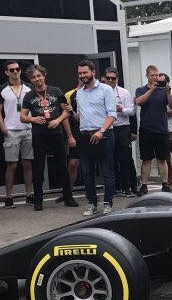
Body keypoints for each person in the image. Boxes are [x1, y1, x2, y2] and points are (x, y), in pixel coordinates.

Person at [20, 64, 76, 210]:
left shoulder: (56, 91)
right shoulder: (29, 95)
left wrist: (57, 120)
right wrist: (33, 119)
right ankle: (38, 200)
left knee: (62, 166)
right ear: (30, 80)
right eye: (33, 77)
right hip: (39, 135)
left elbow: (67, 111)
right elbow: (22, 116)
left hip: (56, 134)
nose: (37, 79)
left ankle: (68, 198)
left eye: (39, 75)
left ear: (44, 76)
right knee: (38, 168)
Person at [74, 59, 116, 216]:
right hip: (85, 135)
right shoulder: (79, 93)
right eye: (80, 73)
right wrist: (71, 113)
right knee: (87, 172)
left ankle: (108, 203)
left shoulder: (106, 89)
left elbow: (112, 115)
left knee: (107, 172)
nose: (82, 75)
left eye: (85, 72)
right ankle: (91, 202)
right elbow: (81, 117)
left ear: (93, 72)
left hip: (104, 135)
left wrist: (101, 131)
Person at [0, 59, 34, 208]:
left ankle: (29, 194)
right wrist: (3, 127)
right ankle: (9, 197)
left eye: (17, 69)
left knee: (27, 163)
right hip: (11, 130)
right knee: (12, 165)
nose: (15, 72)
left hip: (28, 129)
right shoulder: (2, 89)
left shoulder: (29, 87)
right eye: (12, 70)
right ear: (6, 72)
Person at [134, 65, 172, 194]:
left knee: (162, 159)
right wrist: (151, 90)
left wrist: (168, 92)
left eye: (157, 75)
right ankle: (144, 185)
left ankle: (165, 184)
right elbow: (139, 102)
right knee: (146, 159)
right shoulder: (141, 90)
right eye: (152, 75)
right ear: (147, 76)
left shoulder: (163, 90)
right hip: (146, 129)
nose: (155, 77)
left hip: (162, 129)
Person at [102, 68, 137, 197]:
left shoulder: (124, 92)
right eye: (108, 78)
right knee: (110, 158)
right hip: (107, 128)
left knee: (125, 158)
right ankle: (115, 187)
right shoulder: (100, 92)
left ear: (117, 79)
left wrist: (121, 109)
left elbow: (132, 111)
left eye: (113, 78)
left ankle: (127, 186)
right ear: (104, 78)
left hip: (122, 128)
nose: (111, 80)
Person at [163, 72, 172, 191]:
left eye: (164, 82)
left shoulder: (171, 94)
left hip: (171, 130)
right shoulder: (155, 94)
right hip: (161, 130)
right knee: (166, 159)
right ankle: (171, 182)